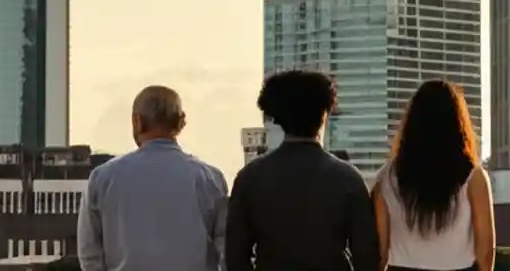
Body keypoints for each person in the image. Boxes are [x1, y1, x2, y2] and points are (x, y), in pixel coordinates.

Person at [226, 70, 380, 271]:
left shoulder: (250, 177)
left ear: (278, 118)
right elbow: (366, 256)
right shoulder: (348, 179)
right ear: (323, 115)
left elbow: (235, 255)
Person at [77, 85, 228, 271]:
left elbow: (89, 254)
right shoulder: (211, 180)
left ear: (137, 121)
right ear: (180, 122)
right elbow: (226, 251)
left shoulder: (102, 179)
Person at [374, 79, 495, 271]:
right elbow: (486, 250)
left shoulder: (386, 177)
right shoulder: (474, 177)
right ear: (457, 123)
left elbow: (380, 252)